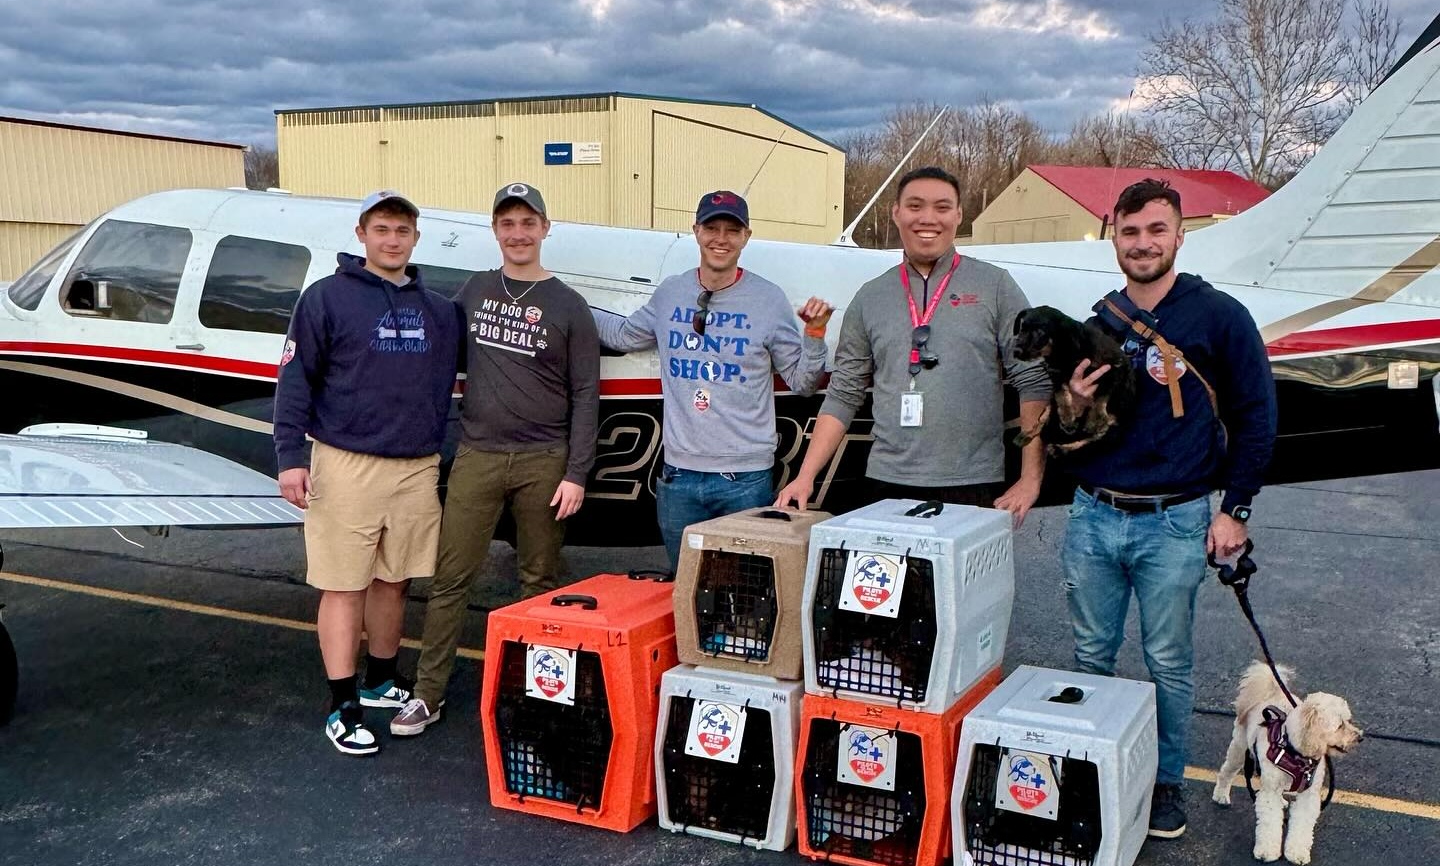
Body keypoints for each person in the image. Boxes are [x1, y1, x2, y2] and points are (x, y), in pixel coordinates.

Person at [1058, 178, 1277, 839]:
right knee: (1091, 652)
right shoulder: (1096, 323)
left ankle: (1165, 784)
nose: (1143, 243)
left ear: (1180, 235)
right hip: (1093, 513)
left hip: (1177, 518)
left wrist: (1234, 509)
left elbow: (1258, 416)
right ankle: (1091, 768)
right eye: (1130, 232)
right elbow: (1071, 433)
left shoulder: (1219, 317)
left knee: (1168, 662)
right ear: (1113, 238)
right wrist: (1072, 396)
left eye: (1156, 230)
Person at [392, 182, 600, 737]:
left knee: (539, 581)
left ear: (545, 229)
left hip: (544, 460)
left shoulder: (569, 305)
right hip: (478, 455)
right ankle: (427, 694)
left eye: (528, 223)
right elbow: (433, 350)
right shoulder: (475, 291)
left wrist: (577, 471)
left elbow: (586, 394)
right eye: (508, 224)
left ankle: (541, 700)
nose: (518, 234)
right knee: (450, 578)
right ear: (496, 231)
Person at [273, 190, 462, 756]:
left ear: (415, 238)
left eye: (402, 231)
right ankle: (341, 703)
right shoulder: (325, 298)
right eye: (381, 229)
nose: (392, 239)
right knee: (344, 584)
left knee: (395, 579)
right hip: (346, 462)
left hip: (416, 465)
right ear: (361, 234)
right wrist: (289, 457)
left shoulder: (439, 311)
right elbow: (295, 378)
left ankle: (380, 678)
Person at [775, 166, 1050, 520]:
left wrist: (1030, 479)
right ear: (897, 212)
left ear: (959, 215)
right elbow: (843, 393)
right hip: (885, 482)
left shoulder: (995, 286)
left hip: (972, 483)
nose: (928, 218)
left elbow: (1033, 383)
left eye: (942, 207)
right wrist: (805, 476)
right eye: (916, 206)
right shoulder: (870, 297)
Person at [593, 189, 834, 570]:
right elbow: (624, 335)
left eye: (732, 230)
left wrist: (816, 334)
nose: (721, 239)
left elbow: (803, 382)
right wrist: (566, 304)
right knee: (686, 590)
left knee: (747, 593)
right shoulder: (672, 292)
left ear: (746, 237)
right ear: (696, 231)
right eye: (712, 228)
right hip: (678, 478)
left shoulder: (768, 300)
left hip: (745, 479)